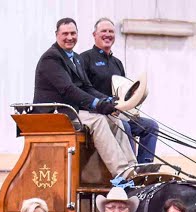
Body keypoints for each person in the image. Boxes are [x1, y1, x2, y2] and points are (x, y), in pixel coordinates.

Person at [32, 17, 136, 177]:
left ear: (78, 34)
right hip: (56, 114)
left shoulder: (75, 59)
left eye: (73, 33)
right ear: (56, 35)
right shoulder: (51, 58)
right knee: (99, 119)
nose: (69, 37)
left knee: (115, 120)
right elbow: (68, 89)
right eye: (65, 34)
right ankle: (122, 173)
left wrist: (108, 101)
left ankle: (133, 169)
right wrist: (97, 104)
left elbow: (87, 87)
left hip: (72, 112)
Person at [81, 18, 159, 172]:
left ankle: (145, 169)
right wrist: (106, 103)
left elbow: (124, 93)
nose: (107, 35)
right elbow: (84, 90)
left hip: (118, 113)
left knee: (151, 126)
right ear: (94, 34)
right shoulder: (84, 59)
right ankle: (131, 171)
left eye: (111, 31)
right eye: (104, 31)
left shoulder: (117, 63)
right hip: (99, 115)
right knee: (125, 127)